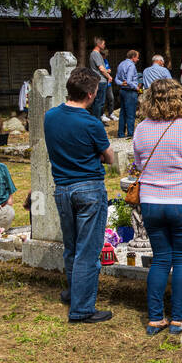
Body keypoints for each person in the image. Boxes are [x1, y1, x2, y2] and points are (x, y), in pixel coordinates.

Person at [133, 79, 182, 337]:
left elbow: (138, 162)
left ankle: (155, 318)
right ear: (180, 98)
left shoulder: (141, 129)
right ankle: (177, 319)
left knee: (161, 260)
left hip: (152, 200)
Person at [45, 66, 115, 322]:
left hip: (62, 187)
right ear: (89, 94)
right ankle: (83, 308)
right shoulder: (91, 123)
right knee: (88, 250)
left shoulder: (50, 117)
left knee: (72, 246)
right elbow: (109, 157)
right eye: (96, 91)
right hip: (88, 187)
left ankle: (74, 291)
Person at [115, 49, 141, 137]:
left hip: (122, 91)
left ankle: (121, 133)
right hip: (130, 92)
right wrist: (136, 87)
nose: (138, 59)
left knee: (122, 113)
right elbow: (129, 81)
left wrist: (121, 83)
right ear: (133, 57)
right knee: (131, 114)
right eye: (137, 57)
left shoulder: (121, 64)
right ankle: (130, 134)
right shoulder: (131, 65)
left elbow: (116, 79)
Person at [90, 37, 113, 122]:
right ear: (98, 44)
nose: (104, 45)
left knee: (99, 102)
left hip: (100, 80)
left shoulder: (96, 54)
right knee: (99, 103)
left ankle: (98, 120)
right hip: (101, 81)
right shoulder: (96, 54)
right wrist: (109, 76)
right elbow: (101, 69)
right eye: (103, 44)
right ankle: (97, 121)